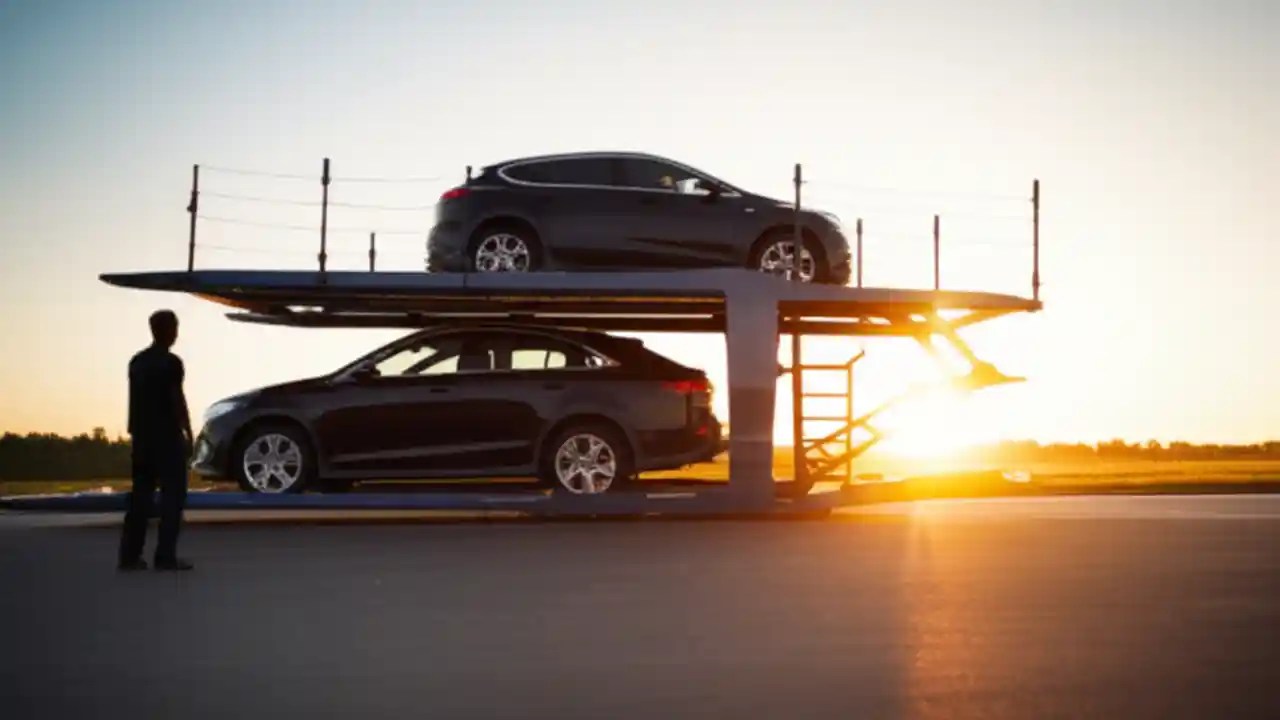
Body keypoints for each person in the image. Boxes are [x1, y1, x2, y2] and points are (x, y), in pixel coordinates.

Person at [118, 310, 195, 572]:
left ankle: (129, 555)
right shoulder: (171, 362)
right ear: (170, 330)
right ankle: (165, 556)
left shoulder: (136, 362)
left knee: (140, 498)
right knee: (172, 499)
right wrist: (187, 431)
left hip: (141, 436)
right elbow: (176, 399)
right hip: (166, 437)